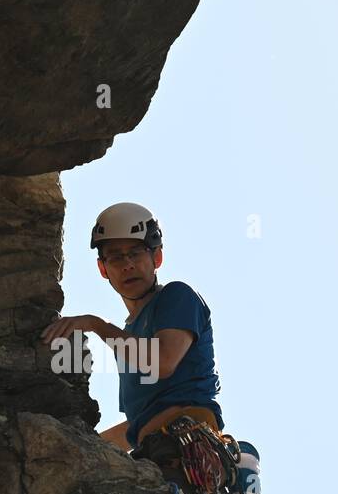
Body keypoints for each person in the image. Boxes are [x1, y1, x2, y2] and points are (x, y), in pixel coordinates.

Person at [39, 202, 224, 477]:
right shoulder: (127, 339)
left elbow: (163, 362)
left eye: (135, 253)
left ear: (157, 258)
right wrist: (79, 449)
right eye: (115, 257)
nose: (127, 265)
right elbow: (135, 426)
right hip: (153, 452)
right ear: (103, 269)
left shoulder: (177, 297)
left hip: (184, 446)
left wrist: (96, 325)